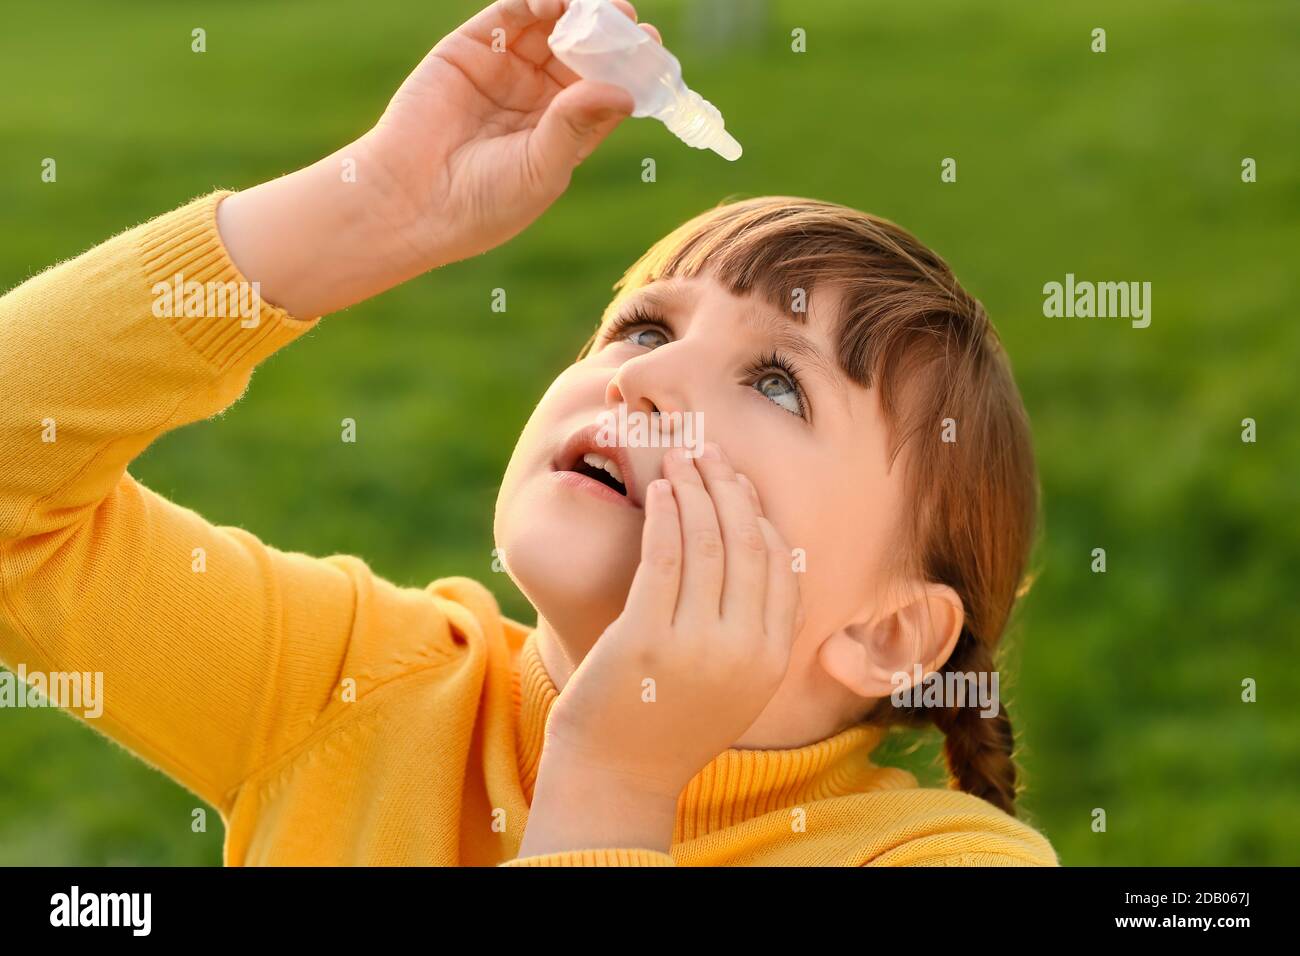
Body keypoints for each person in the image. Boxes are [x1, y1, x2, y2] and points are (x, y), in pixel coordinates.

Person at [0, 0, 1057, 866]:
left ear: (886, 631)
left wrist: (611, 782)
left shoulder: (936, 859)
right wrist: (359, 215)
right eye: (643, 324)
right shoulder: (357, 686)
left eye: (777, 383)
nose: (643, 376)